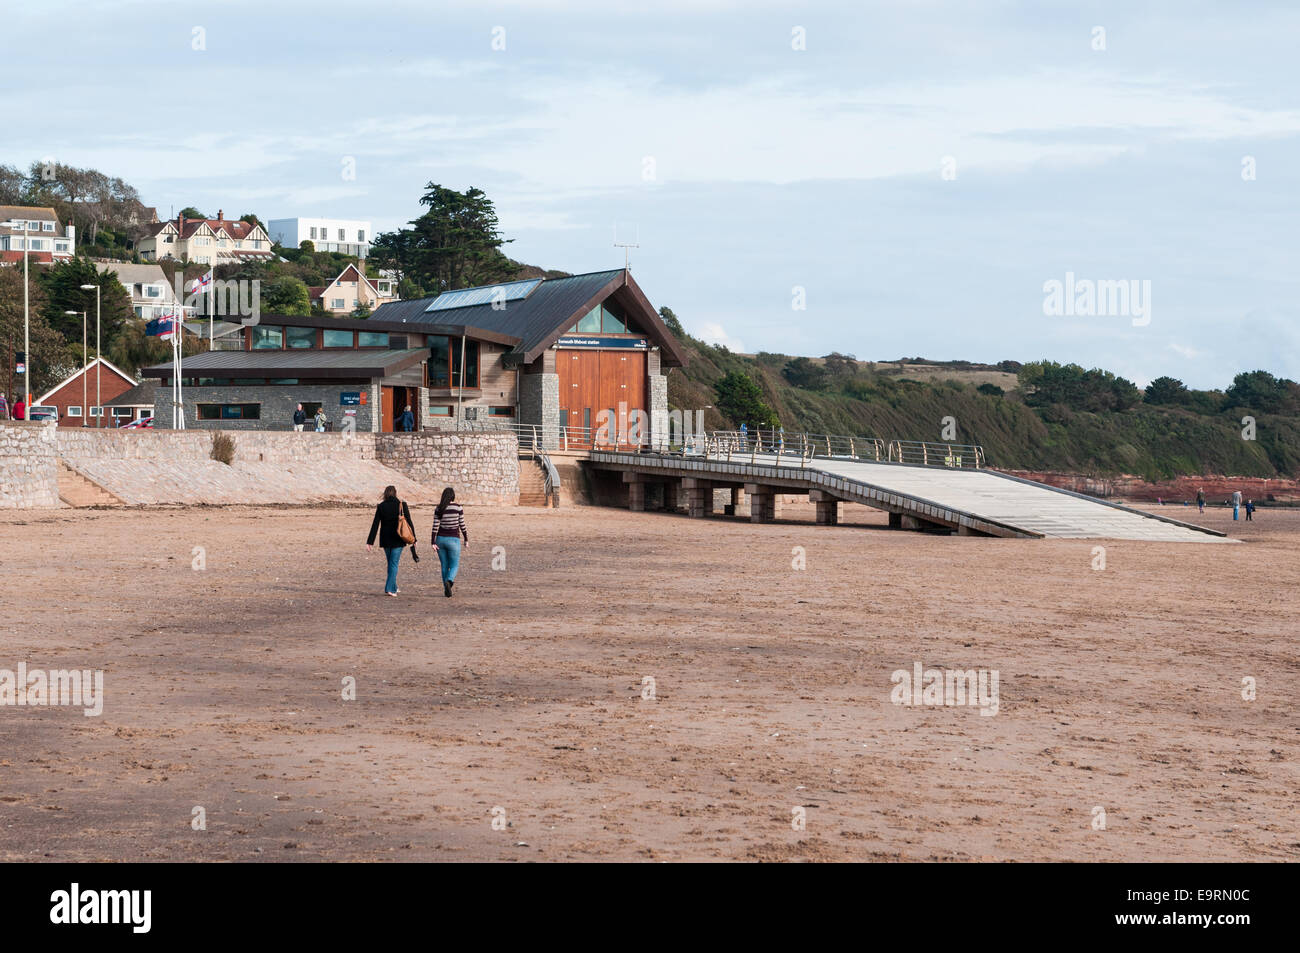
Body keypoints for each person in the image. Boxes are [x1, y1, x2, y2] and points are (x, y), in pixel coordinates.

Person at [366, 485, 417, 596]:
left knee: (391, 563)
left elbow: (375, 524)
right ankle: (390, 589)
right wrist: (414, 539)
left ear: (385, 494)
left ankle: (393, 586)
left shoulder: (381, 506)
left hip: (385, 539)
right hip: (398, 538)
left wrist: (370, 541)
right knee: (393, 564)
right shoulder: (402, 505)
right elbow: (409, 522)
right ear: (395, 493)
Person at [430, 487, 468, 598]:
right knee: (454, 565)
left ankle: (446, 589)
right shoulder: (458, 508)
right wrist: (466, 539)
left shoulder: (439, 508)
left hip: (440, 539)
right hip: (454, 540)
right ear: (453, 496)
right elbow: (462, 525)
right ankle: (449, 581)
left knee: (444, 565)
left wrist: (433, 542)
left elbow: (435, 526)